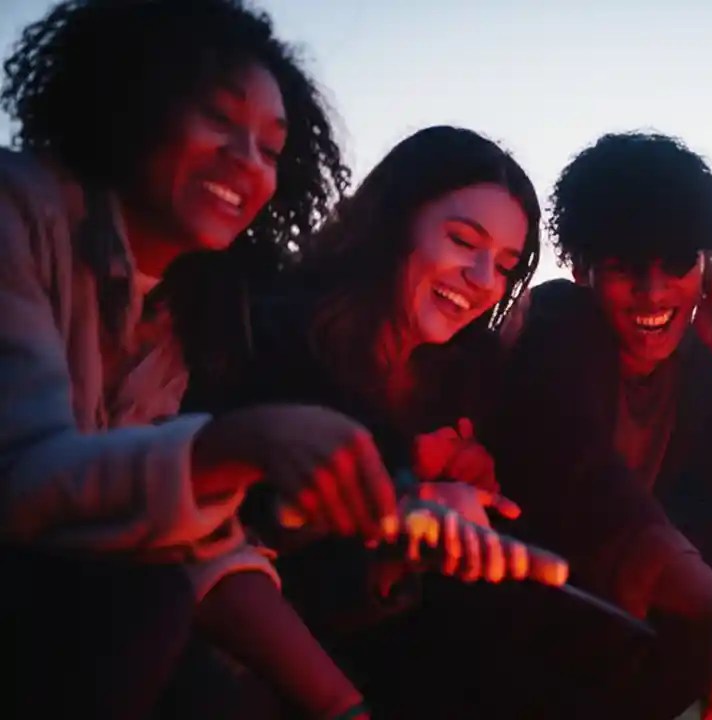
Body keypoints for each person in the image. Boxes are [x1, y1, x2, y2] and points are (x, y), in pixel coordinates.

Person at [0, 1, 396, 717]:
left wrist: (343, 708)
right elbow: (22, 482)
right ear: (132, 102)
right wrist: (235, 445)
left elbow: (194, 538)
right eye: (218, 119)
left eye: (270, 149)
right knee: (135, 604)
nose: (245, 162)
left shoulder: (179, 313)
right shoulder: (16, 209)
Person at [180, 125, 570, 717]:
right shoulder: (273, 341)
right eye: (464, 241)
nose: (484, 278)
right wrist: (402, 509)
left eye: (507, 265)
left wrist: (413, 551)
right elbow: (218, 544)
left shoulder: (458, 385)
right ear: (395, 223)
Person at [490, 131, 712, 719]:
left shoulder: (700, 364)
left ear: (707, 263)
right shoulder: (555, 331)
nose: (654, 291)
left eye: (677, 263)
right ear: (582, 265)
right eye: (625, 267)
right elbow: (586, 489)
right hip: (521, 638)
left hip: (632, 647)